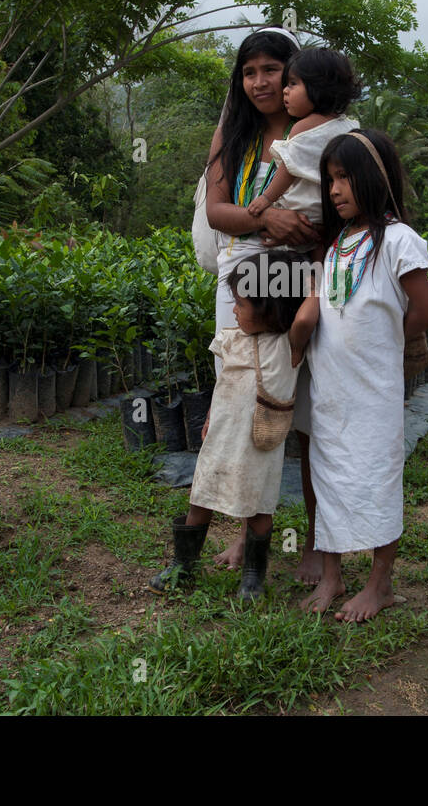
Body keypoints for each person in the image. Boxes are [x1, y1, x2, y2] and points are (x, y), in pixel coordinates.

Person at [297, 129, 428, 622]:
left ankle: (379, 584)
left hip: (375, 391)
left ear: (372, 178)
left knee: (378, 479)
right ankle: (333, 576)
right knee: (330, 476)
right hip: (330, 390)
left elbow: (426, 310)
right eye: (330, 179)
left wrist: (387, 346)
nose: (334, 189)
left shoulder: (399, 239)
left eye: (344, 177)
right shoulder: (337, 244)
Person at [204, 27, 325, 583]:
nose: (259, 82)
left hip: (304, 278)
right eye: (249, 72)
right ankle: (242, 535)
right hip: (244, 286)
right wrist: (266, 217)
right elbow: (216, 212)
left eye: (271, 70)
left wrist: (292, 228)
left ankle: (316, 544)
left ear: (293, 73)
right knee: (246, 403)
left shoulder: (319, 134)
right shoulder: (234, 134)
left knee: (307, 416)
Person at [149, 250, 316, 600]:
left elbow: (304, 319)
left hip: (259, 444)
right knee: (201, 497)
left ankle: (253, 578)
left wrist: (311, 284)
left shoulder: (289, 346)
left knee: (258, 508)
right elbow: (223, 384)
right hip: (222, 437)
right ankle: (184, 565)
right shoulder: (231, 338)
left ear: (270, 305)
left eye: (241, 303)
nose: (235, 310)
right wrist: (210, 417)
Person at [246, 47, 360, 245]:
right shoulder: (350, 125)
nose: (285, 91)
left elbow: (288, 169)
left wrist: (266, 199)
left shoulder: (304, 127)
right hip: (335, 210)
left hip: (305, 207)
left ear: (317, 87)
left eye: (293, 84)